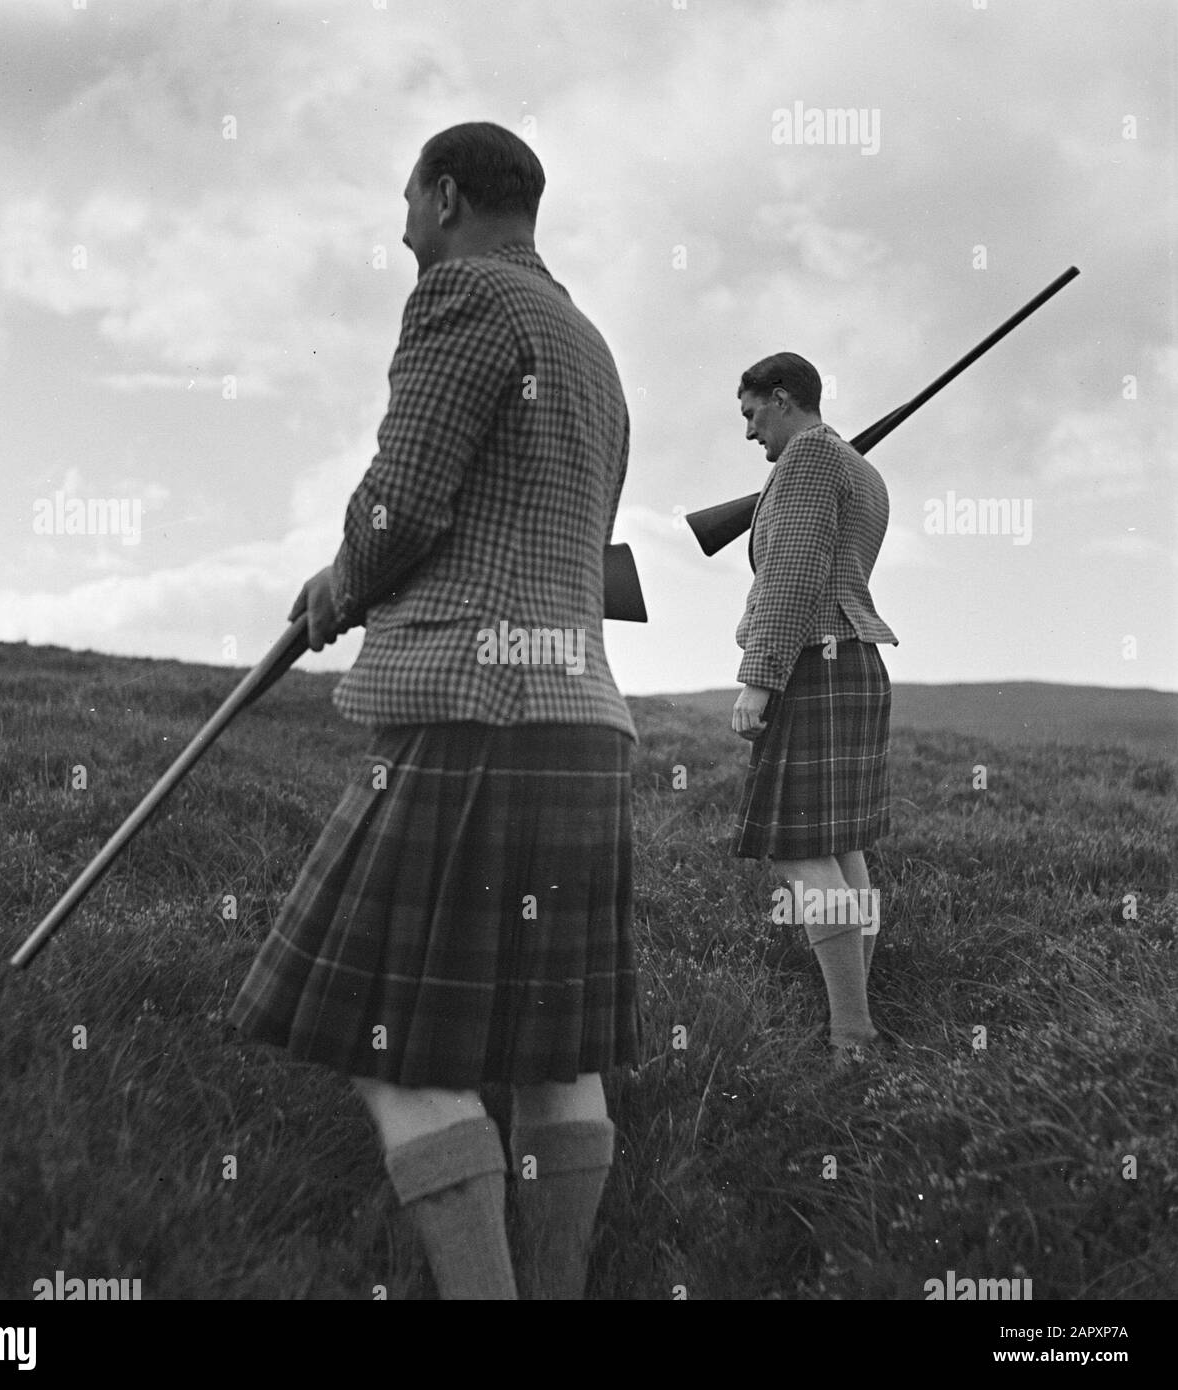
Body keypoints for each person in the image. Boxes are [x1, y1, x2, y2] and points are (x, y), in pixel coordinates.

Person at [228, 122, 639, 1299]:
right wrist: (354, 574)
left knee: (392, 1049)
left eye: (407, 197)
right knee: (554, 1055)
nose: (401, 222)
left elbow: (402, 506)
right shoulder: (592, 345)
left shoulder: (460, 296)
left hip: (471, 710)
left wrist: (341, 581)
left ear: (448, 195)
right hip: (581, 722)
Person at [728, 353, 898, 1067]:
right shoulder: (861, 470)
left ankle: (851, 1039)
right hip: (855, 661)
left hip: (810, 662)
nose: (748, 434)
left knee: (800, 855)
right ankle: (855, 1023)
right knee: (842, 854)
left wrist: (757, 678)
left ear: (782, 398)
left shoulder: (803, 463)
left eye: (750, 414)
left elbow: (793, 577)